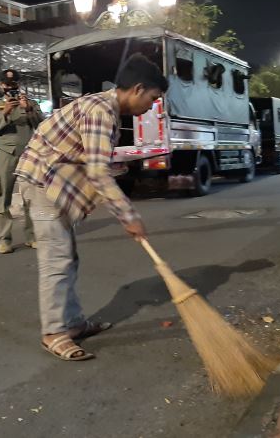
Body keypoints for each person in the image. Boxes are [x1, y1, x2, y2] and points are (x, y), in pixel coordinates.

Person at [15, 54, 167, 361]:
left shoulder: (105, 108)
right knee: (57, 258)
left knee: (67, 257)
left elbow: (91, 161)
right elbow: (97, 172)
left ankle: (72, 323)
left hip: (53, 182)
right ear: (137, 89)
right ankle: (54, 333)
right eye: (153, 99)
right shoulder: (100, 111)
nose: (152, 106)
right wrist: (128, 216)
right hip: (43, 183)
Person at [0, 69, 45, 254]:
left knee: (31, 198)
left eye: (14, 84)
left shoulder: (31, 103)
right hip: (6, 153)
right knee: (3, 197)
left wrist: (27, 109)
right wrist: (6, 112)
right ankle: (4, 240)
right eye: (8, 84)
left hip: (28, 153)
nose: (11, 87)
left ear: (19, 84)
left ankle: (32, 236)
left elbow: (42, 125)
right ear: (2, 85)